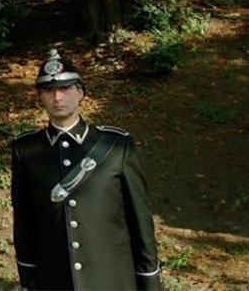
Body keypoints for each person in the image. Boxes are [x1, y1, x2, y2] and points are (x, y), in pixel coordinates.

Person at [10, 49, 161, 290]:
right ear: (40, 97)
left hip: (113, 278)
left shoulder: (116, 146)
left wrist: (148, 278)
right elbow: (25, 220)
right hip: (55, 279)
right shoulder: (25, 151)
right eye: (48, 91)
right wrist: (28, 275)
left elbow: (140, 219)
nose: (57, 97)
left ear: (81, 93)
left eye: (65, 89)